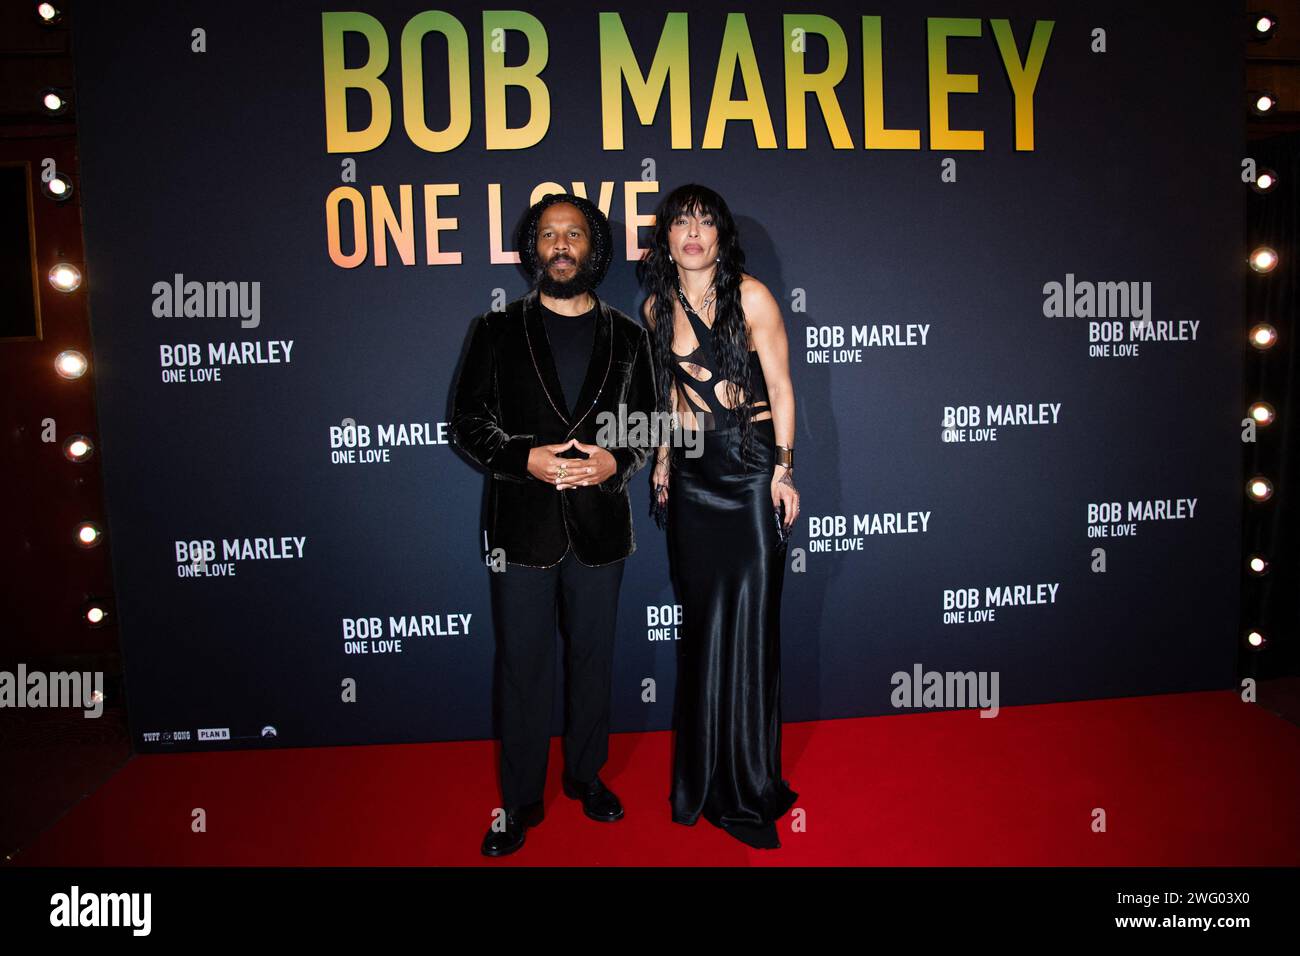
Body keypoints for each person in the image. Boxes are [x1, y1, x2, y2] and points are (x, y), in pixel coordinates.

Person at [449, 193, 657, 857]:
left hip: (600, 528)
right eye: (548, 235)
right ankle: (518, 802)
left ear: (594, 248)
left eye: (573, 233)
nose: (561, 244)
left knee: (593, 663)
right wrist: (524, 458)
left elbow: (647, 423)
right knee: (522, 667)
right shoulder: (495, 330)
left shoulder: (630, 335)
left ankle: (586, 776)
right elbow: (467, 422)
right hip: (522, 530)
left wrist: (613, 461)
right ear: (531, 248)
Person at [640, 183, 800, 849]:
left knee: (753, 631)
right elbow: (665, 397)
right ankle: (704, 777)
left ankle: (751, 784)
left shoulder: (752, 296)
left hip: (750, 472)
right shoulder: (654, 306)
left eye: (705, 222)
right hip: (693, 483)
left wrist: (785, 469)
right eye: (682, 223)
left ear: (720, 234)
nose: (694, 234)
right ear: (667, 237)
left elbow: (784, 387)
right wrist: (660, 460)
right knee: (704, 633)